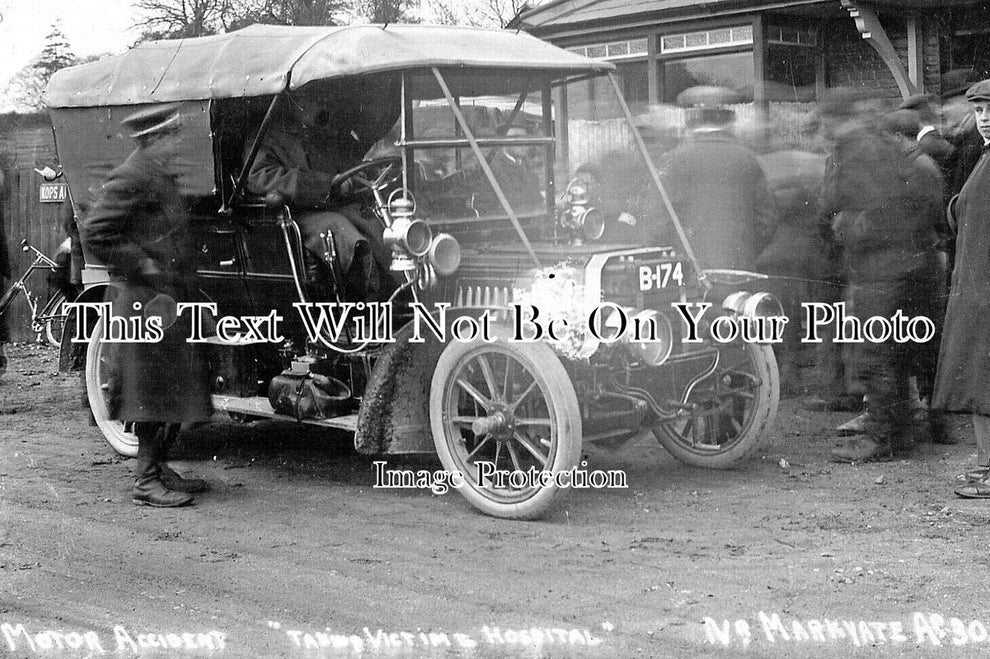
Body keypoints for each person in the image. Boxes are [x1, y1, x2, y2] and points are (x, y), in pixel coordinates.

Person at [81, 103, 212, 507]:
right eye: (170, 136)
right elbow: (97, 231)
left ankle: (157, 468)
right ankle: (145, 481)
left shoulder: (156, 173)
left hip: (162, 300)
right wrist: (142, 263)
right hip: (141, 301)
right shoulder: (133, 174)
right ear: (154, 138)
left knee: (169, 389)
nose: (176, 143)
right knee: (150, 391)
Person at [821, 96, 945, 462]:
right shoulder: (887, 150)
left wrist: (848, 227)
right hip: (906, 267)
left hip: (882, 269)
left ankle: (881, 439)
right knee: (897, 350)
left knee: (877, 353)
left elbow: (881, 210)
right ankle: (900, 433)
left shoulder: (861, 150)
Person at [246, 85, 398, 301]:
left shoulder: (321, 136)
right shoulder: (265, 136)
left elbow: (346, 166)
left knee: (379, 226)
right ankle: (362, 304)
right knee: (343, 232)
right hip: (296, 213)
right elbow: (259, 177)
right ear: (292, 101)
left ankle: (398, 294)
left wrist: (367, 172)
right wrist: (325, 184)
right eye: (313, 98)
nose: (322, 104)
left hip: (333, 207)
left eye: (322, 98)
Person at [933, 80, 990, 498]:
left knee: (981, 381)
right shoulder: (985, 158)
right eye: (981, 113)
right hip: (975, 286)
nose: (985, 120)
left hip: (984, 292)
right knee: (977, 381)